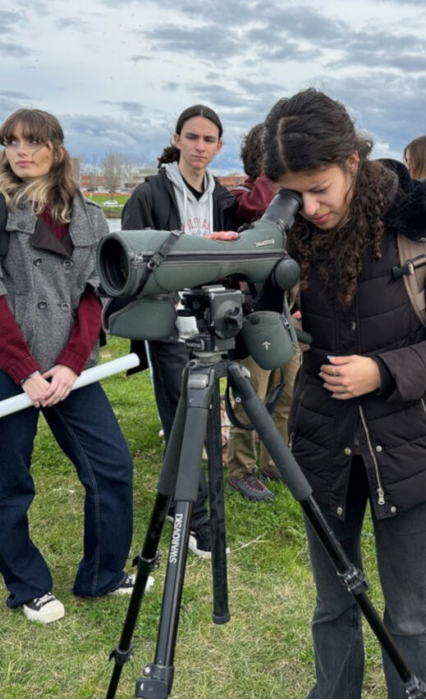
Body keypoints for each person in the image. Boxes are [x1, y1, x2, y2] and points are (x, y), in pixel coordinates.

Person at [263, 88, 426, 699]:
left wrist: (383, 371)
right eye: (294, 193)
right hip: (322, 441)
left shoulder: (418, 227)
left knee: (410, 612)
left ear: (352, 159)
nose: (309, 207)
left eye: (320, 188)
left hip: (411, 447)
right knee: (332, 604)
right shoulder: (288, 233)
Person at [0, 108, 143, 623]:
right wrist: (24, 370)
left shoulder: (86, 213)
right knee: (10, 479)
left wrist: (69, 365)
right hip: (5, 367)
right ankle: (27, 585)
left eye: (34, 142)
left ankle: (103, 575)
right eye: (12, 142)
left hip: (69, 370)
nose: (22, 151)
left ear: (57, 149)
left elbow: (93, 292)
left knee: (111, 468)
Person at [119, 105, 238, 555]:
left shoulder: (224, 198)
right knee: (181, 418)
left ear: (219, 146)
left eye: (209, 140)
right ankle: (195, 518)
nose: (201, 147)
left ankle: (195, 507)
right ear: (178, 139)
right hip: (168, 322)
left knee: (208, 417)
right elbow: (127, 261)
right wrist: (195, 249)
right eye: (193, 137)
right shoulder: (149, 194)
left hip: (210, 319)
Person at [224, 123, 300, 502]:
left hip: (286, 312)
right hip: (252, 314)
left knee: (285, 394)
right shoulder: (242, 198)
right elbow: (253, 217)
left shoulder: (293, 196)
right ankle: (240, 468)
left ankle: (275, 461)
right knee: (250, 394)